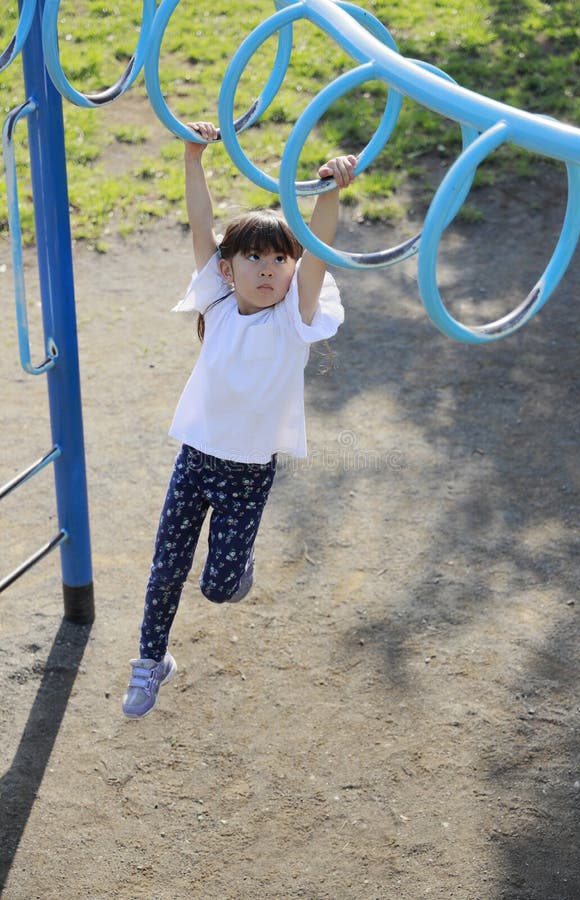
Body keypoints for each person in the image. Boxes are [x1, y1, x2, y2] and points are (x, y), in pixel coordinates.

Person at [122, 121, 357, 719]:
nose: (267, 268)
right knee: (166, 565)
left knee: (219, 587)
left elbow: (318, 254)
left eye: (280, 259)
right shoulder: (219, 304)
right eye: (253, 256)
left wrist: (329, 190)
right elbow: (202, 226)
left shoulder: (294, 319)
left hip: (248, 473)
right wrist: (193, 158)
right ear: (228, 269)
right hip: (195, 457)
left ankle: (237, 569)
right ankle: (151, 661)